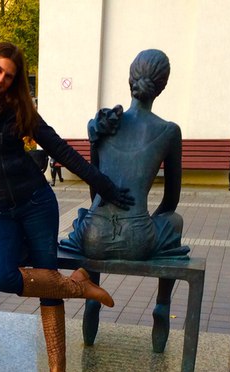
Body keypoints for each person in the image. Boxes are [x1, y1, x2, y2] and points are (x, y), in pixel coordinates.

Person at [0, 42, 133, 372]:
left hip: (37, 204)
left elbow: (60, 149)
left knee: (48, 288)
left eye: (9, 76)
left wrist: (103, 185)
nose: (1, 80)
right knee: (2, 276)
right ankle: (79, 284)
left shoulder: (18, 108)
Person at [60, 49, 190, 352]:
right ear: (162, 86)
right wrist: (147, 221)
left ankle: (92, 301)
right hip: (138, 240)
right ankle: (162, 304)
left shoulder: (103, 123)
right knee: (175, 221)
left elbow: (95, 189)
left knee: (87, 214)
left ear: (130, 79)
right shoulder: (169, 131)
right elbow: (171, 200)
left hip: (92, 237)